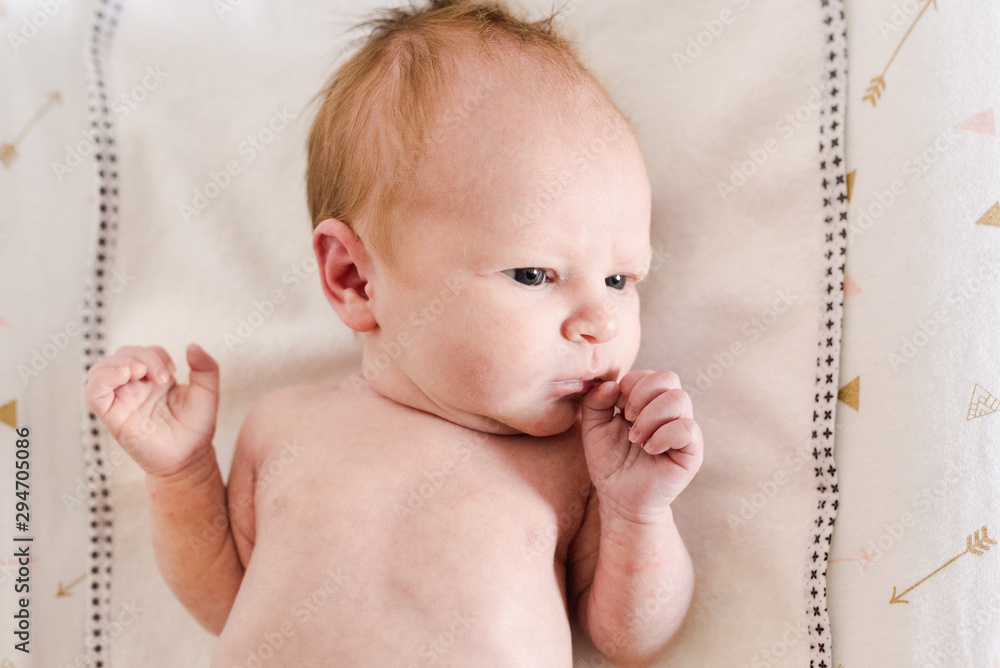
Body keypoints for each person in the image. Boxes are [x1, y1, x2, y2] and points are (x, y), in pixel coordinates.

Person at [84, 1, 704, 665]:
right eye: (533, 273)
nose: (601, 321)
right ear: (355, 278)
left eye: (620, 280)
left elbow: (628, 639)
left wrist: (641, 513)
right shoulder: (286, 427)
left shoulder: (578, 465)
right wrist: (180, 473)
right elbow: (225, 603)